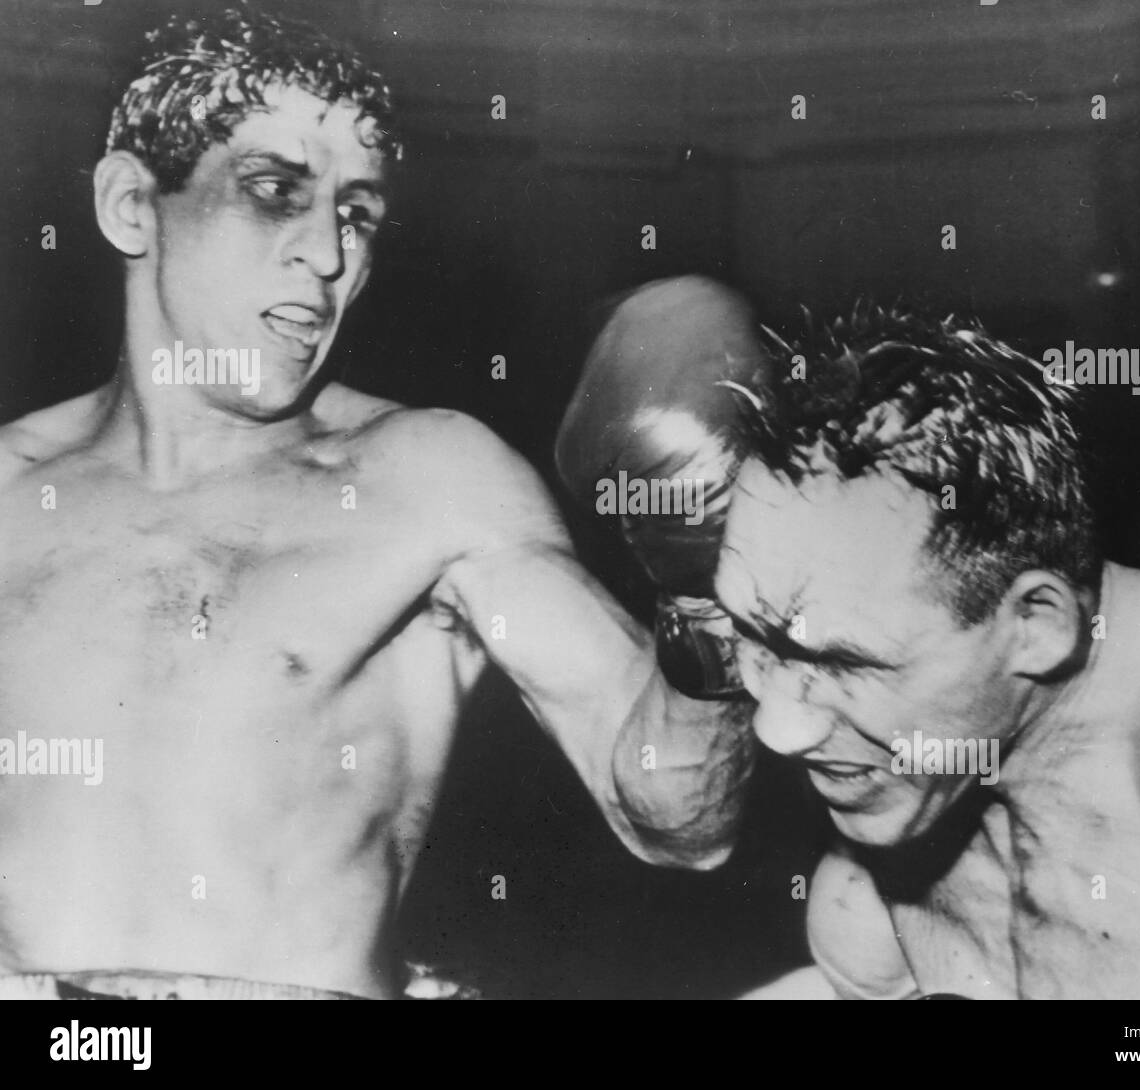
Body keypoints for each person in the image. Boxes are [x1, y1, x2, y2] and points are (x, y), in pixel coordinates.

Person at [0, 6, 758, 1000]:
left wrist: (699, 586)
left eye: (356, 213)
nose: (328, 254)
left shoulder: (426, 478)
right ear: (131, 205)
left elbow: (678, 817)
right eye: (276, 193)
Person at [721, 307, 1140, 999]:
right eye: (753, 639)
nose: (777, 729)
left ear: (1036, 624)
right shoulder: (900, 754)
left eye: (848, 663)